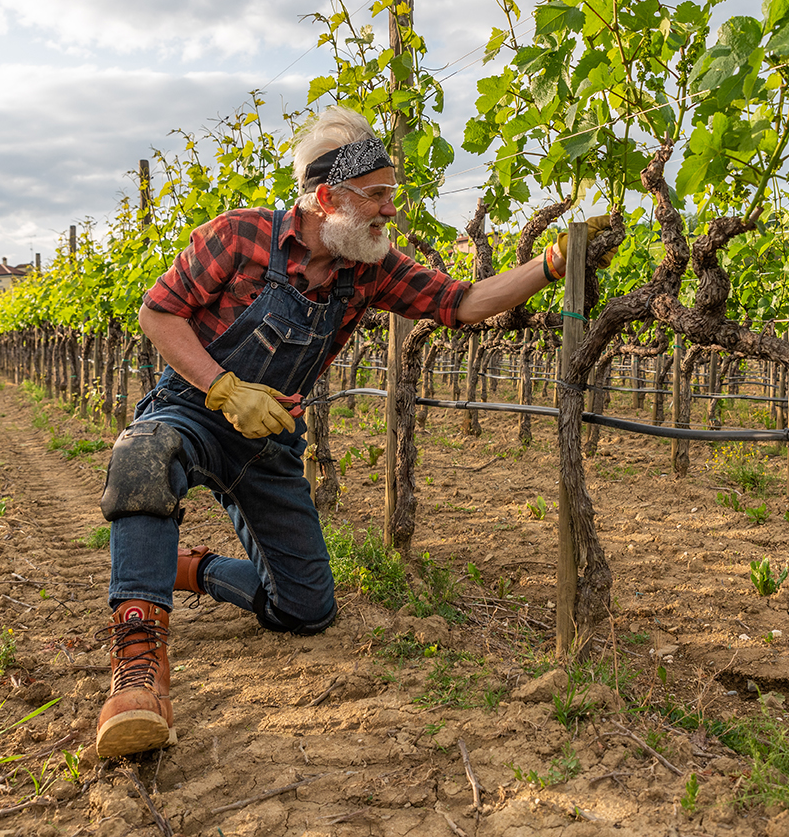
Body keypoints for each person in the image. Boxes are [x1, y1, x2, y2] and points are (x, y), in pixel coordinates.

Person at [93, 106, 599, 759]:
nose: (392, 211)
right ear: (328, 197)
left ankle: (195, 570)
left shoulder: (372, 266)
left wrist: (553, 263)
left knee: (305, 611)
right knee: (142, 454)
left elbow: (462, 302)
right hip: (193, 410)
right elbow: (159, 313)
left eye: (394, 195)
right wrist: (224, 388)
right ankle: (138, 664)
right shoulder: (236, 236)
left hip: (268, 444)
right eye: (379, 196)